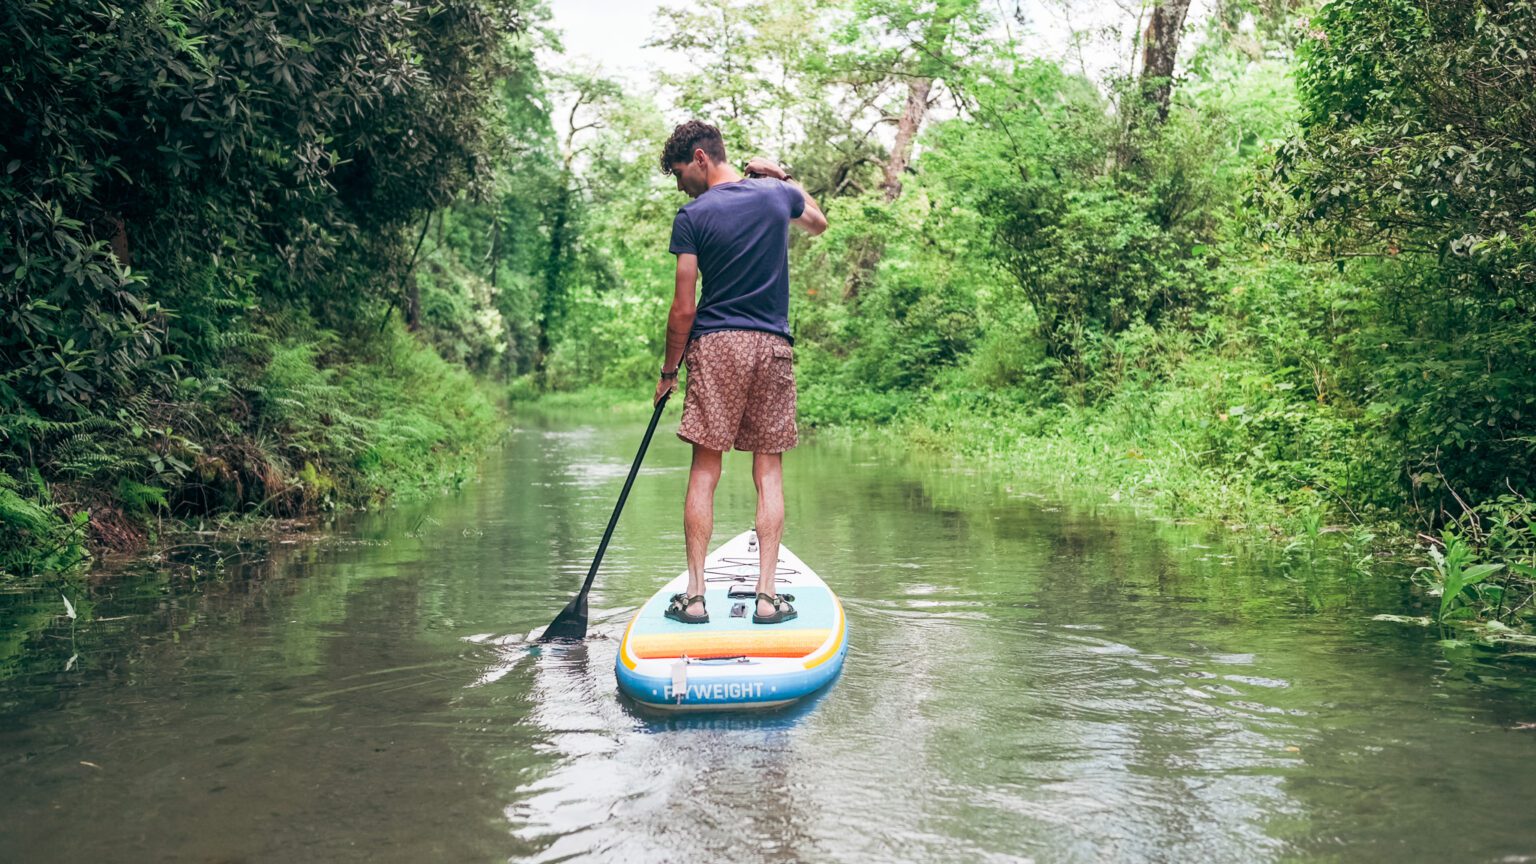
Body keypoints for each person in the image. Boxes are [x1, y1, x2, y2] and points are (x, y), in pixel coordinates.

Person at [652, 119, 828, 626]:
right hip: (772, 345)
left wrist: (669, 371)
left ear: (702, 158)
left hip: (717, 346)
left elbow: (683, 308)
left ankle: (696, 596)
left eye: (682, 172)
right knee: (767, 469)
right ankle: (768, 599)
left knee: (706, 470)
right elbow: (817, 222)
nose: (681, 183)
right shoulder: (775, 195)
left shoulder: (692, 216)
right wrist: (785, 177)